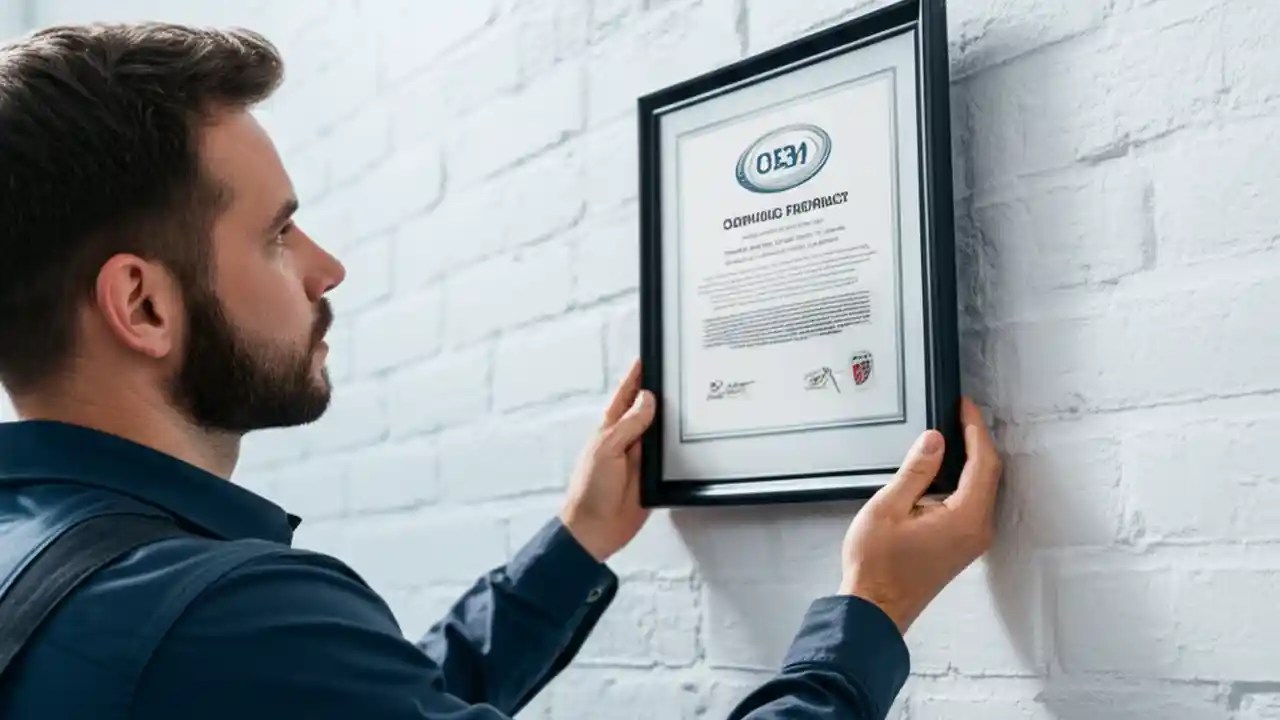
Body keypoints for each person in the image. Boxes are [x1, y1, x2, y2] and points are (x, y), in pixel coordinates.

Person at [0, 21, 1003, 720]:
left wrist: (574, 543)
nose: (325, 267)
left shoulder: (73, 581)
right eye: (277, 234)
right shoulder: (218, 617)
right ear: (143, 305)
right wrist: (865, 616)